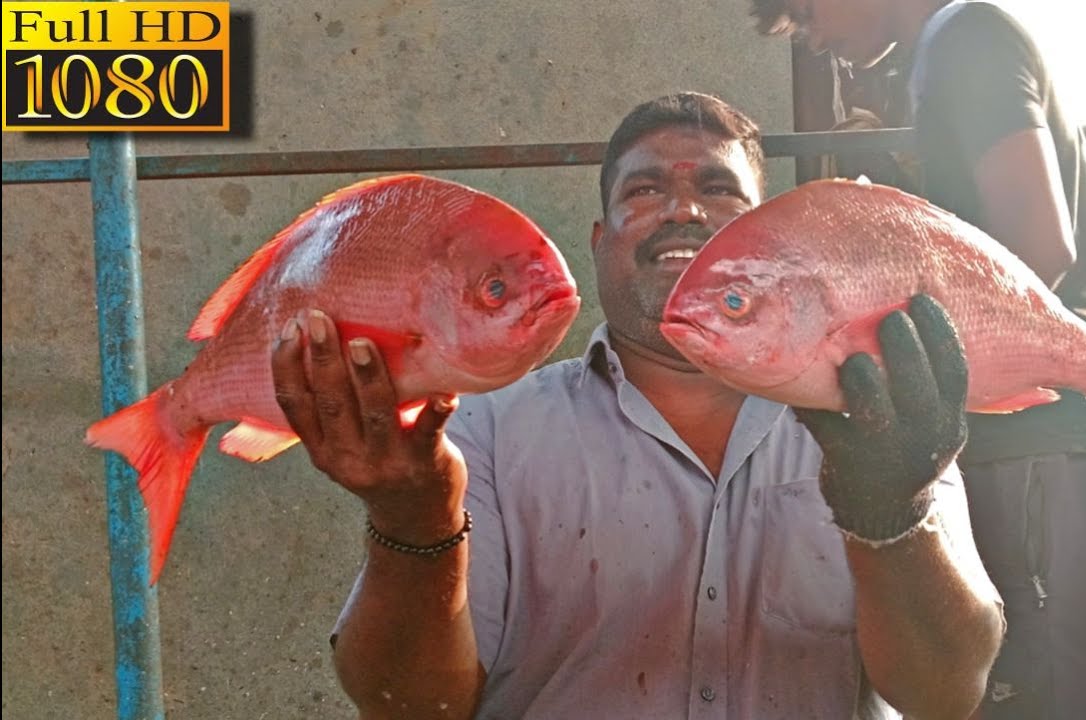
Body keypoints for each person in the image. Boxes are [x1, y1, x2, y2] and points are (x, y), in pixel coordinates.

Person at [269, 91, 1004, 719]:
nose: (683, 208)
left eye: (719, 190)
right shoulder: (483, 427)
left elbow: (944, 693)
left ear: (772, 242)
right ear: (599, 242)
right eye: (644, 191)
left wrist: (891, 519)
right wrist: (412, 519)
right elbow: (407, 706)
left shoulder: (879, 423)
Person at [748, 3, 1086, 719]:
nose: (812, 35)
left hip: (1032, 437)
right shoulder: (935, 57)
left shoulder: (968, 38)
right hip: (1003, 434)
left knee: (1033, 696)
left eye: (804, 12)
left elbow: (1040, 247)